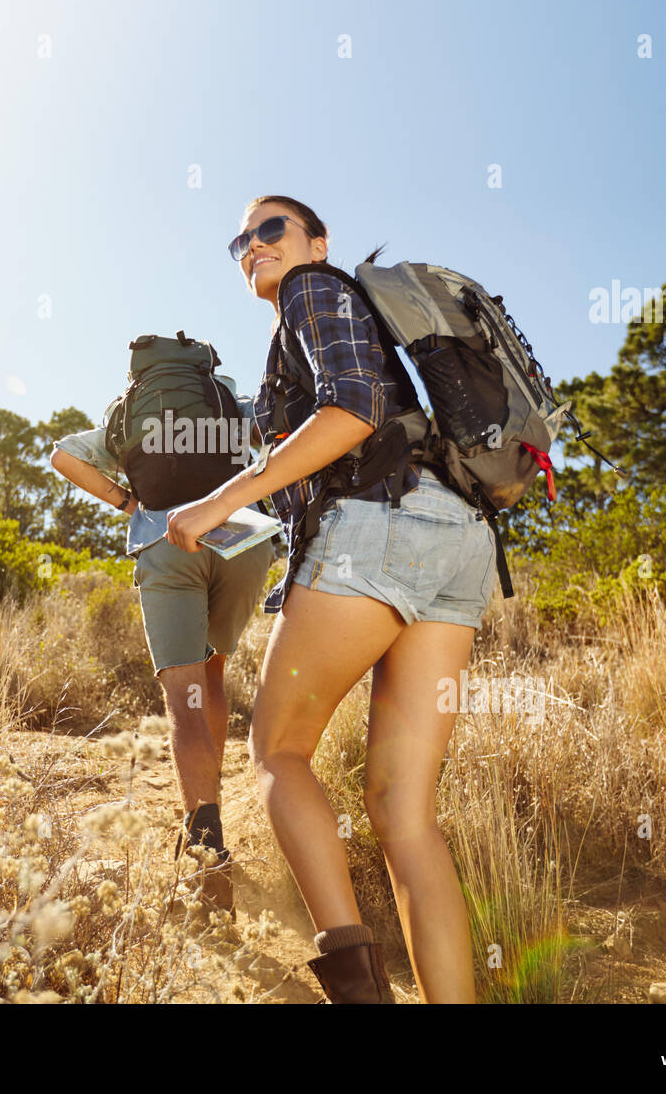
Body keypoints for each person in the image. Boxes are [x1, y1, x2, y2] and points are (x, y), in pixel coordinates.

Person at [164, 195, 498, 1003]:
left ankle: (357, 991)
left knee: (278, 752)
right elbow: (320, 425)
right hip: (462, 540)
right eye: (239, 240)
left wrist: (213, 508)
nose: (252, 246)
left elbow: (352, 410)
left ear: (317, 240)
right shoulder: (338, 328)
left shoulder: (315, 290)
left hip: (379, 530)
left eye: (270, 229)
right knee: (404, 814)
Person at [49, 359, 275, 918]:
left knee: (184, 694)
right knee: (213, 674)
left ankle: (204, 841)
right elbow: (284, 432)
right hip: (243, 542)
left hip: (166, 541)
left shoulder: (130, 416)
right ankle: (212, 801)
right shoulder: (229, 403)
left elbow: (62, 456)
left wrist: (129, 504)